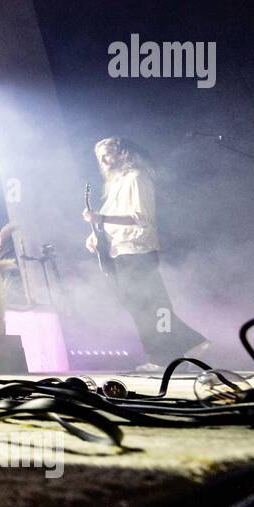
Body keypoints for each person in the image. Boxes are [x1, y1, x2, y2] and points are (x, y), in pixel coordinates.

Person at [83, 137, 208, 370]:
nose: (103, 161)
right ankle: (185, 345)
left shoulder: (137, 178)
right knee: (142, 304)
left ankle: (167, 355)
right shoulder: (117, 183)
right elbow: (113, 219)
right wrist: (96, 233)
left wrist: (101, 218)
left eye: (107, 154)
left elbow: (141, 217)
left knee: (148, 303)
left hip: (137, 249)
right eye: (99, 157)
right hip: (122, 250)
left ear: (123, 154)